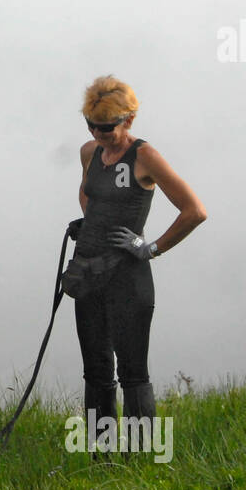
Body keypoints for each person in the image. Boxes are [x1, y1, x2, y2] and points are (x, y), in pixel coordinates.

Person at [71, 76, 206, 455]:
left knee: (132, 371)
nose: (99, 134)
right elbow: (87, 192)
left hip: (128, 278)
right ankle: (101, 455)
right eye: (91, 125)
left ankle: (144, 455)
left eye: (107, 127)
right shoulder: (90, 152)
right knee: (96, 370)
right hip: (88, 273)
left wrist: (151, 248)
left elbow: (194, 211)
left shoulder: (145, 157)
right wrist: (92, 223)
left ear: (128, 120)